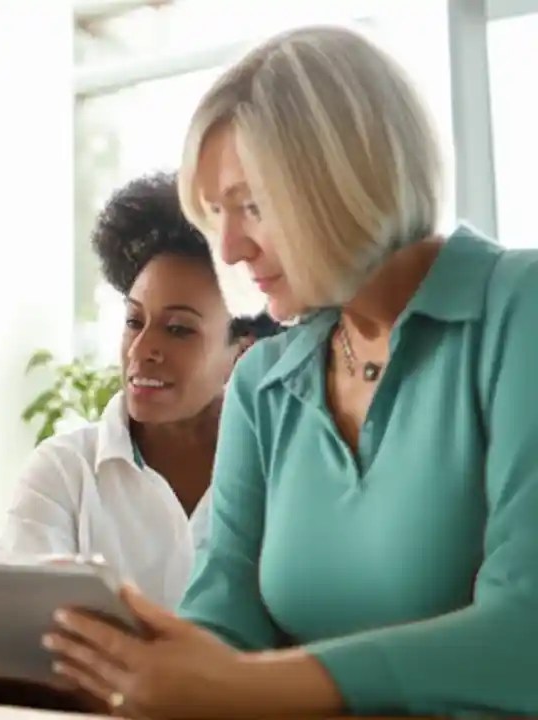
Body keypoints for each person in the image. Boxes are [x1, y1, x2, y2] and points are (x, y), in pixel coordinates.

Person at [44, 25, 538, 718]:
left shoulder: (520, 310)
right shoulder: (265, 383)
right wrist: (124, 651)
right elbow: (222, 627)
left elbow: (525, 636)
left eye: (252, 206)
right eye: (216, 214)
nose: (229, 248)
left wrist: (241, 687)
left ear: (350, 178)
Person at [0, 172, 279, 607]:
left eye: (178, 329)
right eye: (134, 321)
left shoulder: (282, 474)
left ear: (242, 353)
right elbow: (13, 621)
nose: (142, 350)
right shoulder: (65, 475)